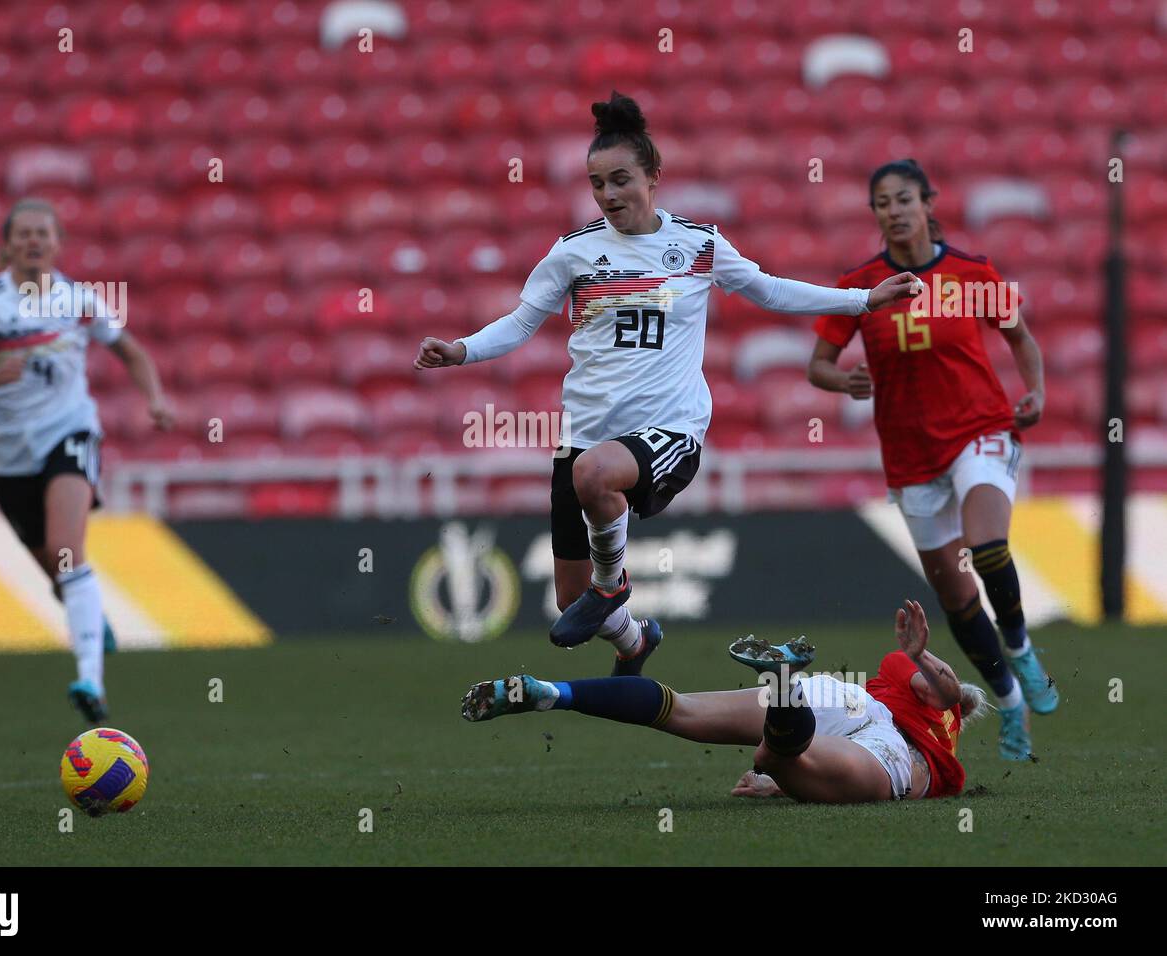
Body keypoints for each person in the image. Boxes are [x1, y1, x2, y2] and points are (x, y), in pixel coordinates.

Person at [415, 92, 919, 673]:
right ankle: (633, 637)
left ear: (654, 177)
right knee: (568, 602)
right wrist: (461, 350)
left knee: (595, 481)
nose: (608, 195)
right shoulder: (574, 253)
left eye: (621, 180)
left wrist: (863, 299)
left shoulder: (698, 245)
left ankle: (612, 586)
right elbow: (522, 322)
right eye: (597, 183)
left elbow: (770, 289)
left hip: (668, 429)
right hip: (584, 432)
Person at [806, 159, 1057, 761]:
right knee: (957, 599)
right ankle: (1009, 700)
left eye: (903, 199)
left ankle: (1020, 646)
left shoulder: (971, 271)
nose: (893, 211)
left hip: (981, 428)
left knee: (989, 544)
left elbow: (1019, 336)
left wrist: (1037, 393)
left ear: (927, 204)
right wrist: (844, 384)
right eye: (882, 203)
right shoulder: (861, 284)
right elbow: (816, 365)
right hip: (910, 454)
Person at [0, 198, 174, 722]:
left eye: (44, 233)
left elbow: (130, 350)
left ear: (59, 244)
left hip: (69, 433)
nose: (34, 242)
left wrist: (154, 398)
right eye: (24, 234)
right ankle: (91, 620)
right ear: (8, 245)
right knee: (60, 572)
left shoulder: (80, 299)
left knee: (68, 550)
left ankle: (90, 679)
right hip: (6, 457)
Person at [461, 599, 986, 803]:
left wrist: (775, 790)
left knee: (682, 710)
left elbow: (937, 684)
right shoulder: (935, 713)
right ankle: (781, 697)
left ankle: (556, 693)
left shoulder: (893, 682)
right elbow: (940, 686)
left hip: (840, 700)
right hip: (883, 743)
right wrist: (923, 654)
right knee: (782, 760)